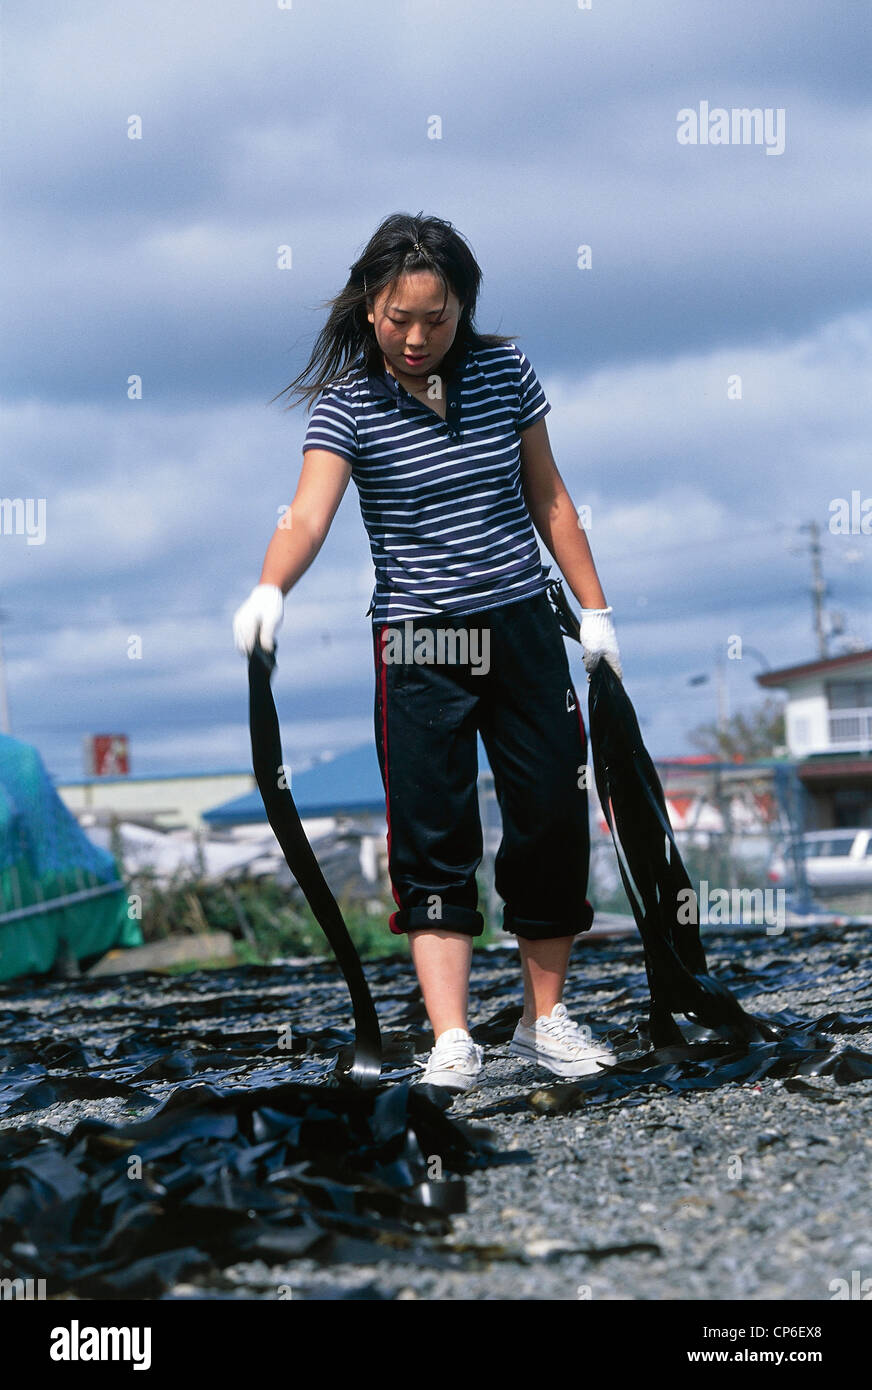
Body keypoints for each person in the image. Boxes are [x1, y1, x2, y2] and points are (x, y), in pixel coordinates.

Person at [233, 211, 623, 1095]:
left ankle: (544, 1018)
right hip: (418, 641)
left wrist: (595, 612)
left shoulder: (505, 373)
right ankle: (452, 1039)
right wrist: (270, 588)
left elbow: (552, 500)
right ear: (369, 309)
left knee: (551, 820)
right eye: (398, 318)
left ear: (462, 308)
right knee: (433, 835)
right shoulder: (348, 407)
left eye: (435, 319)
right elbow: (306, 516)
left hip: (522, 624)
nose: (416, 338)